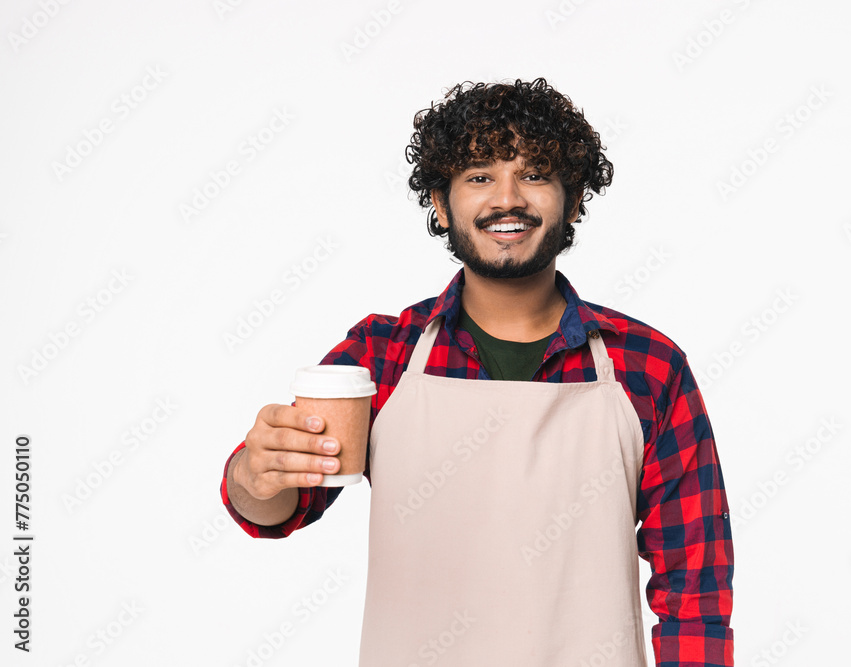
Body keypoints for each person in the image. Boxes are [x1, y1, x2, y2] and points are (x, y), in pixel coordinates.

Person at [221, 77, 734, 667]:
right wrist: (255, 474)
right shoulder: (383, 354)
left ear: (572, 201)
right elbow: (279, 505)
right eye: (480, 177)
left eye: (536, 174)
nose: (508, 199)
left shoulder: (647, 366)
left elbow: (695, 582)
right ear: (441, 204)